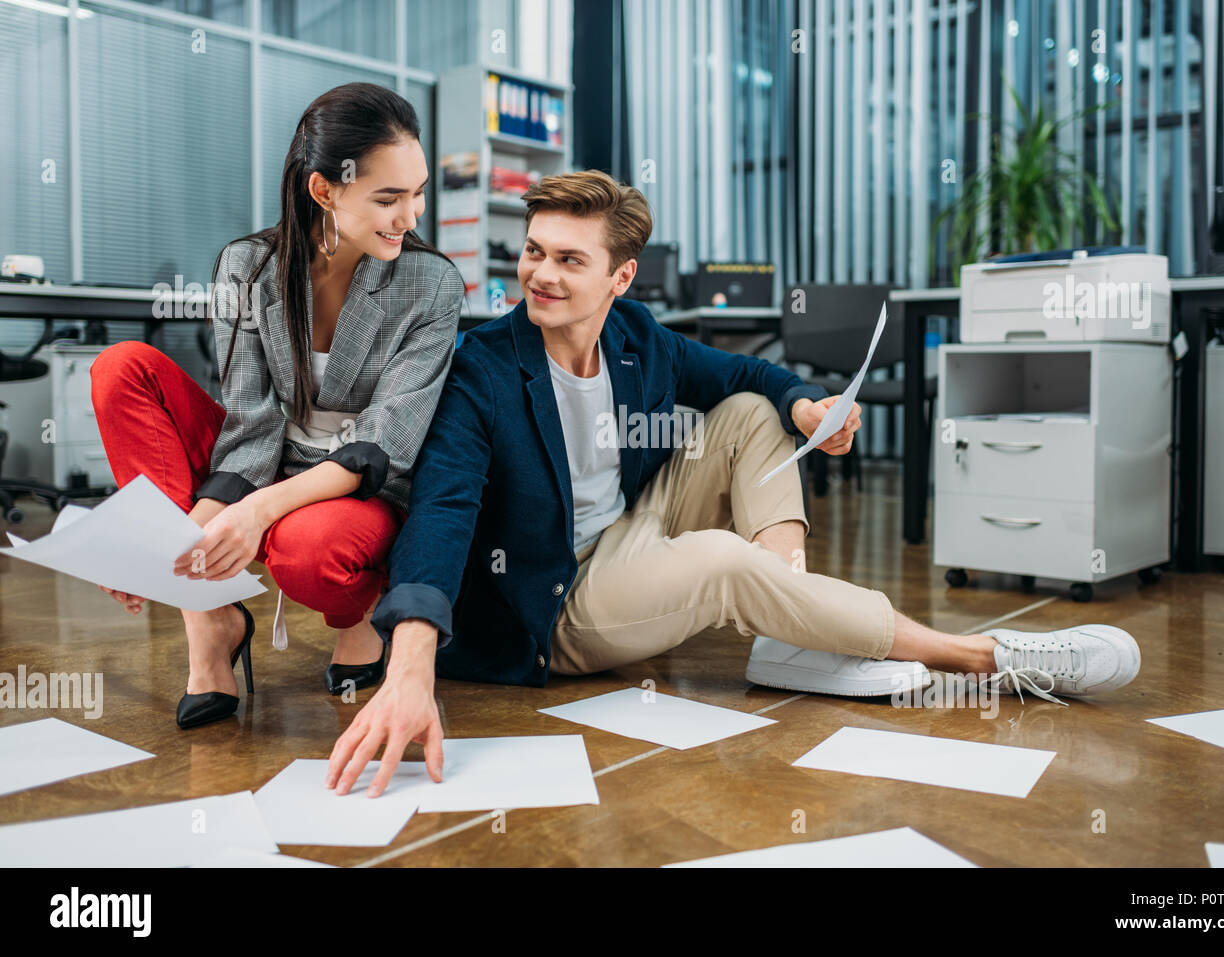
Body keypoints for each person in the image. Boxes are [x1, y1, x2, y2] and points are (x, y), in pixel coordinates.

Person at [325, 170, 1139, 798]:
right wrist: (409, 666)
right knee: (719, 559)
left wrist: (806, 403)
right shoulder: (483, 368)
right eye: (534, 251)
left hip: (625, 532)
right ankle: (987, 656)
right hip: (555, 603)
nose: (541, 274)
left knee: (752, 411)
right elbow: (443, 508)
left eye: (570, 259)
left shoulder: (638, 336)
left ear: (621, 278)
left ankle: (794, 628)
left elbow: (744, 374)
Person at [89, 82, 464, 728]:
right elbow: (250, 422)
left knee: (306, 550)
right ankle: (210, 621)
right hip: (268, 460)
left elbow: (387, 442)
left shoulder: (432, 285)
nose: (411, 216)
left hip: (356, 482)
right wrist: (167, 546)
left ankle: (356, 620)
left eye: (419, 191)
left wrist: (256, 511)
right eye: (389, 197)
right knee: (120, 367)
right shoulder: (246, 266)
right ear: (324, 190)